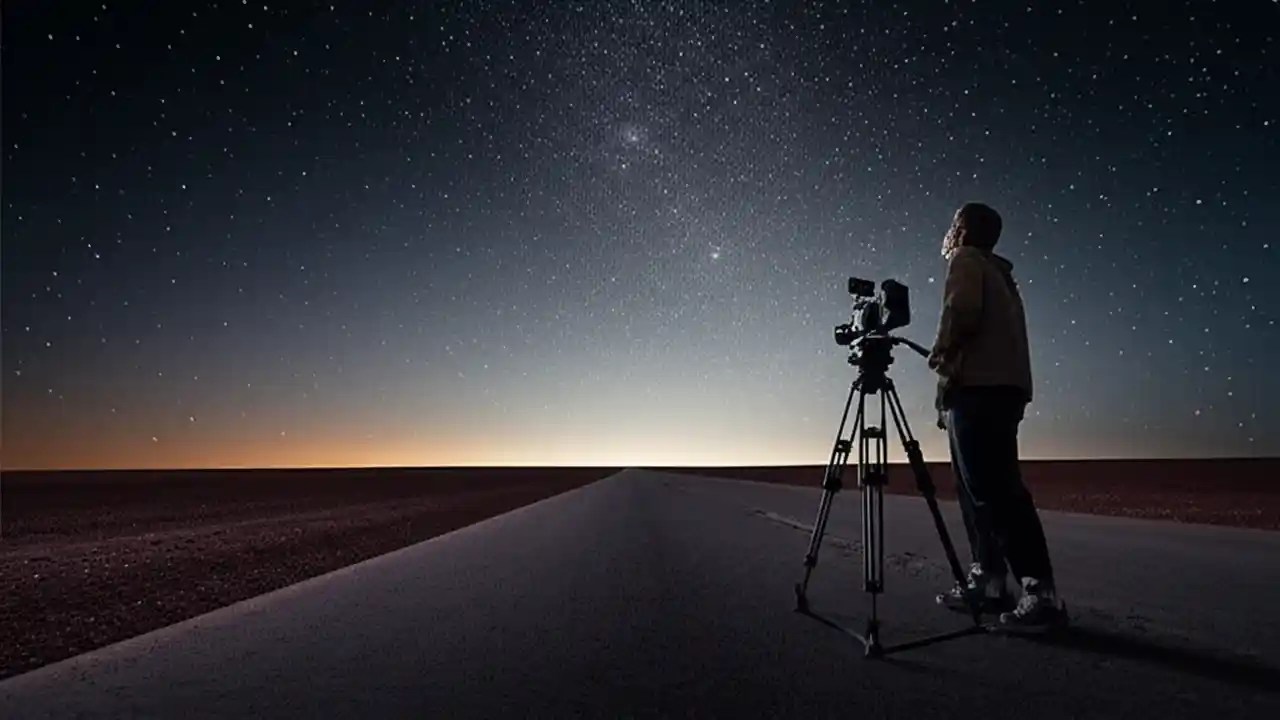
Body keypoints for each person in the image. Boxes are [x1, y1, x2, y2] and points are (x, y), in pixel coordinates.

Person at [928, 202, 1067, 633]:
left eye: (955, 224)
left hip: (978, 390)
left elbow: (961, 313)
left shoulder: (966, 260)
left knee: (992, 490)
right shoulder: (1002, 275)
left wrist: (941, 354)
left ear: (963, 229)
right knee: (984, 489)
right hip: (1004, 389)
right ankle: (989, 581)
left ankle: (1038, 592)